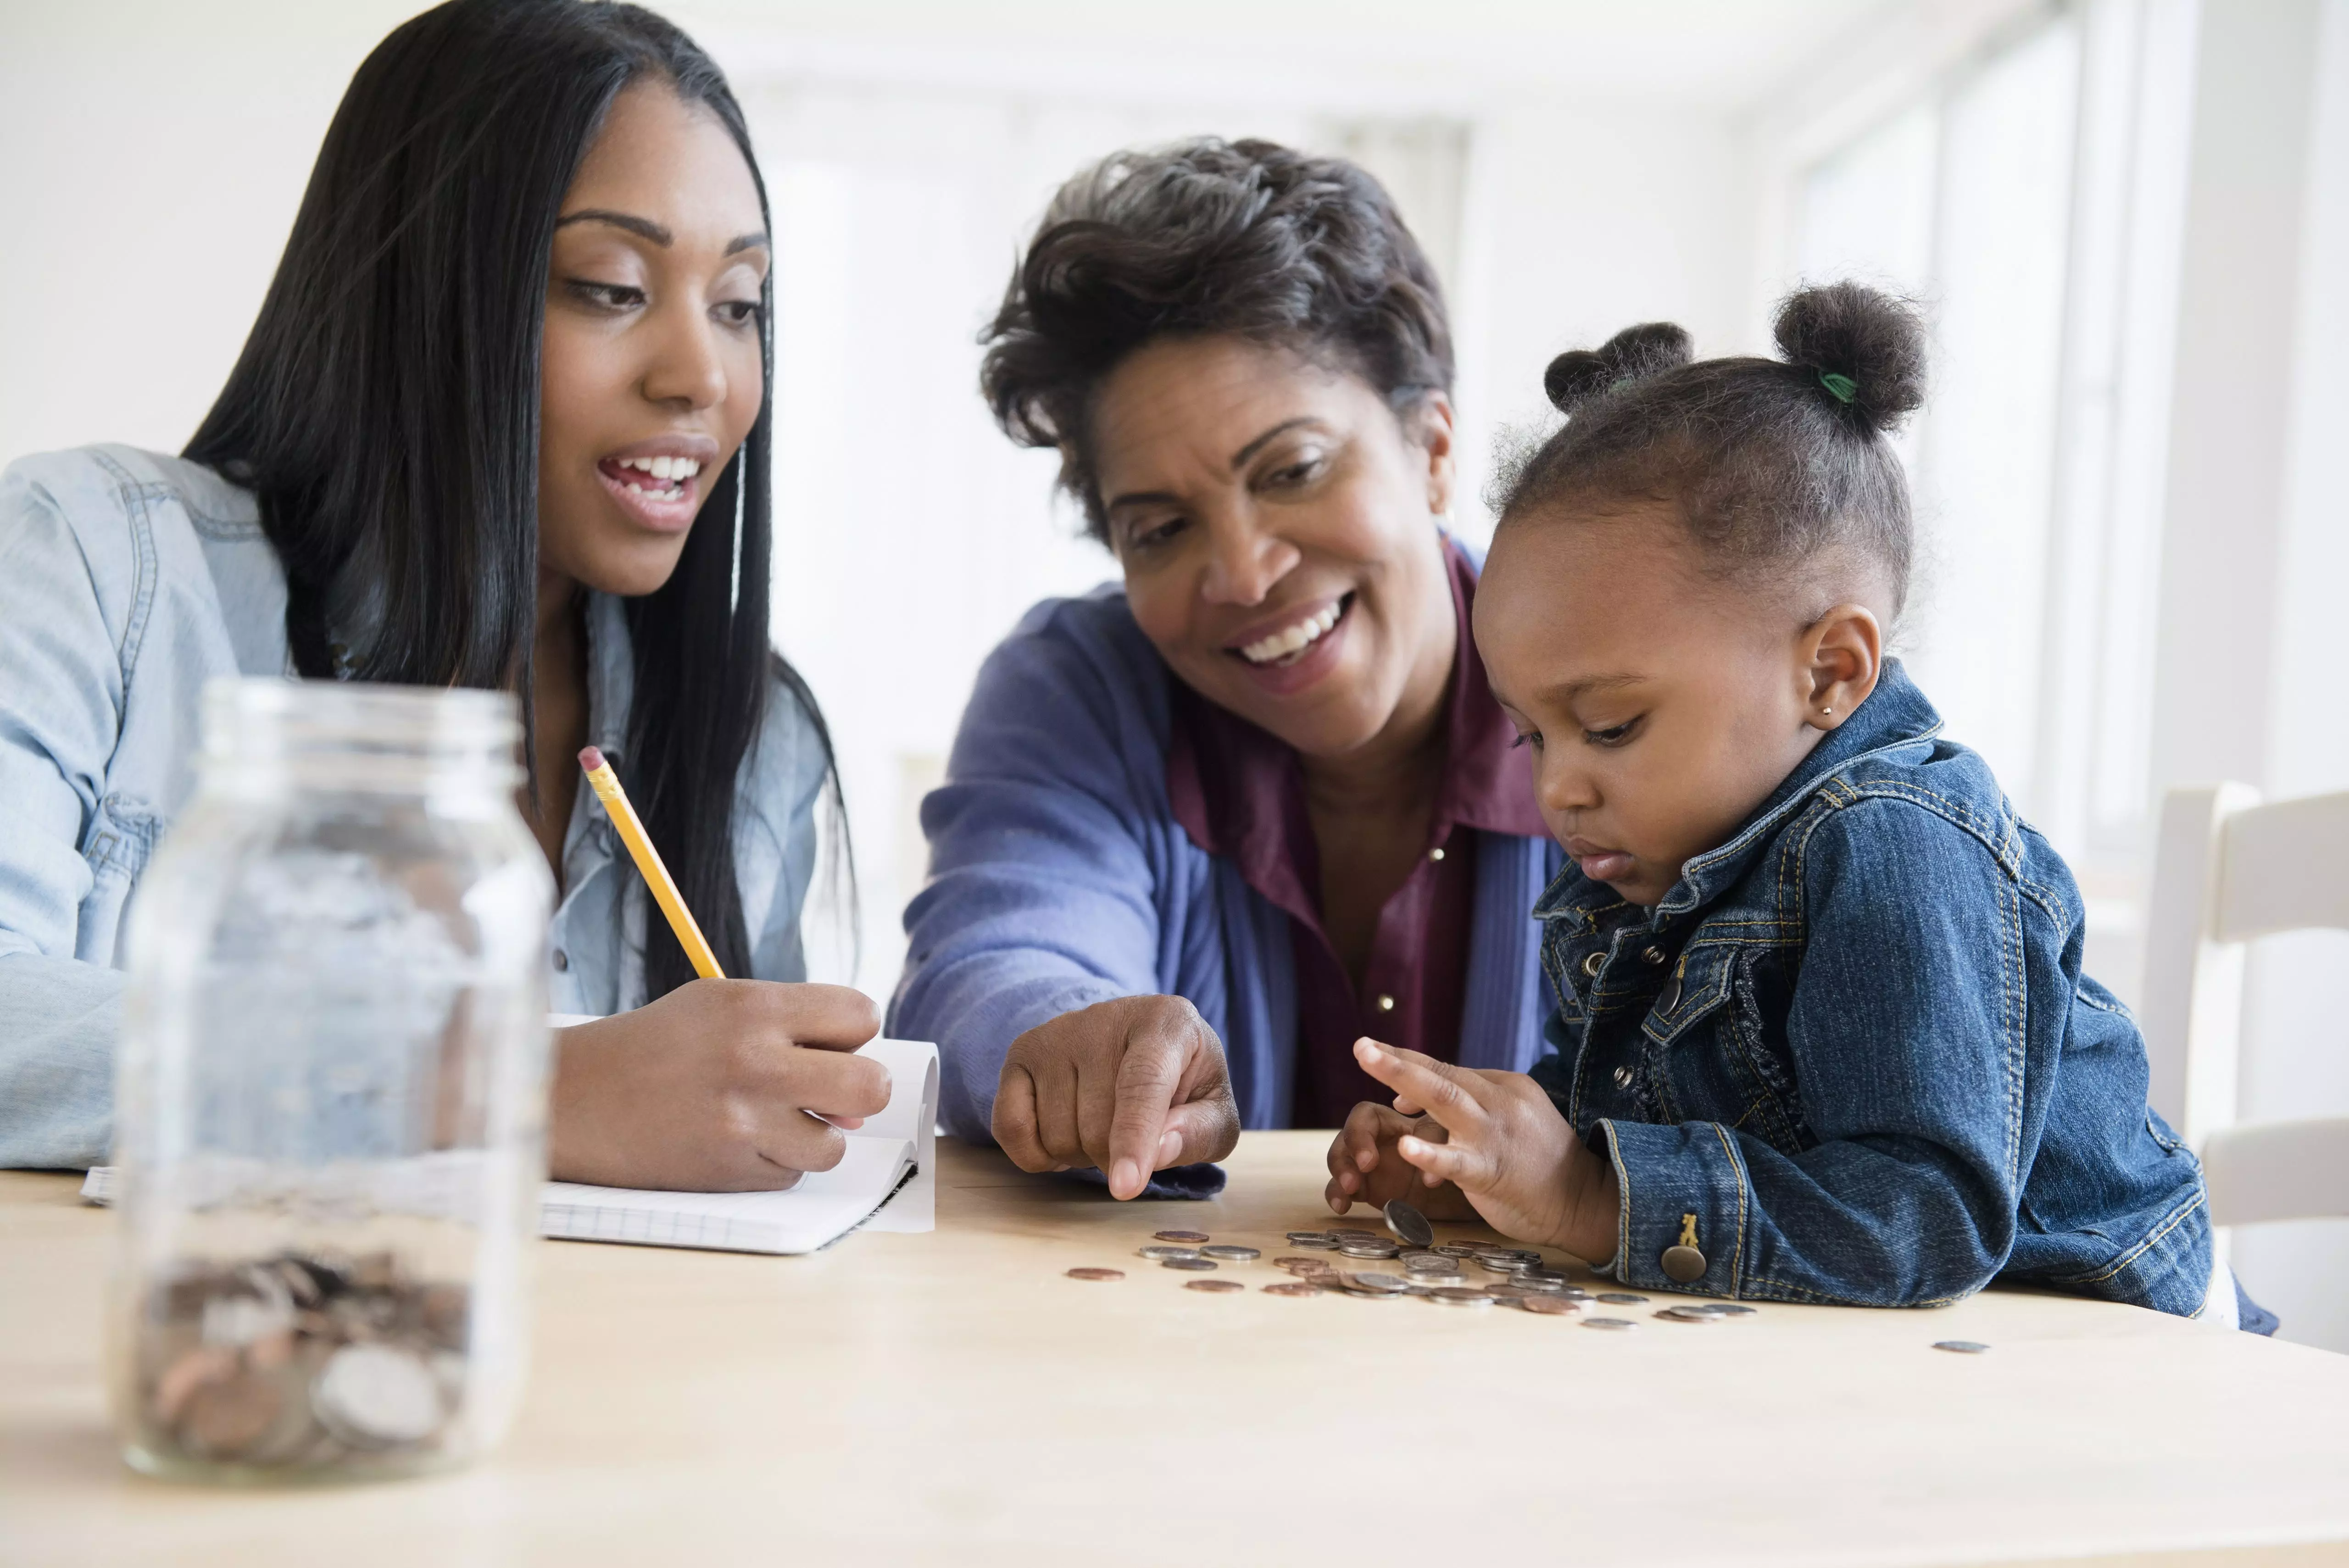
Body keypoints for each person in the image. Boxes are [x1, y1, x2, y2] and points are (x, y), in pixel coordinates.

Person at [0, 0, 891, 1190]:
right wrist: (508, 1089)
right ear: (420, 295)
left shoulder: (750, 734)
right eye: (613, 287)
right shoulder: (94, 564)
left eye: (739, 304)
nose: (703, 377)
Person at [1324, 283, 2267, 1328]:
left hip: (2111, 1343)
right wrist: (1486, 1164)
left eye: (1611, 725)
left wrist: (1593, 1196)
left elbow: (1924, 1215)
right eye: (1529, 733)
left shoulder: (1895, 842)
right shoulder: (1642, 843)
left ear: (1830, 670)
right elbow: (1608, 1108)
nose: (1557, 788)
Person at [890, 139, 1562, 1200]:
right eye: (1160, 528)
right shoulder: (1079, 686)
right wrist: (1066, 1036)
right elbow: (986, 961)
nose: (1244, 575)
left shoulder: (1625, 686)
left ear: (1432, 447)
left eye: (1292, 469)